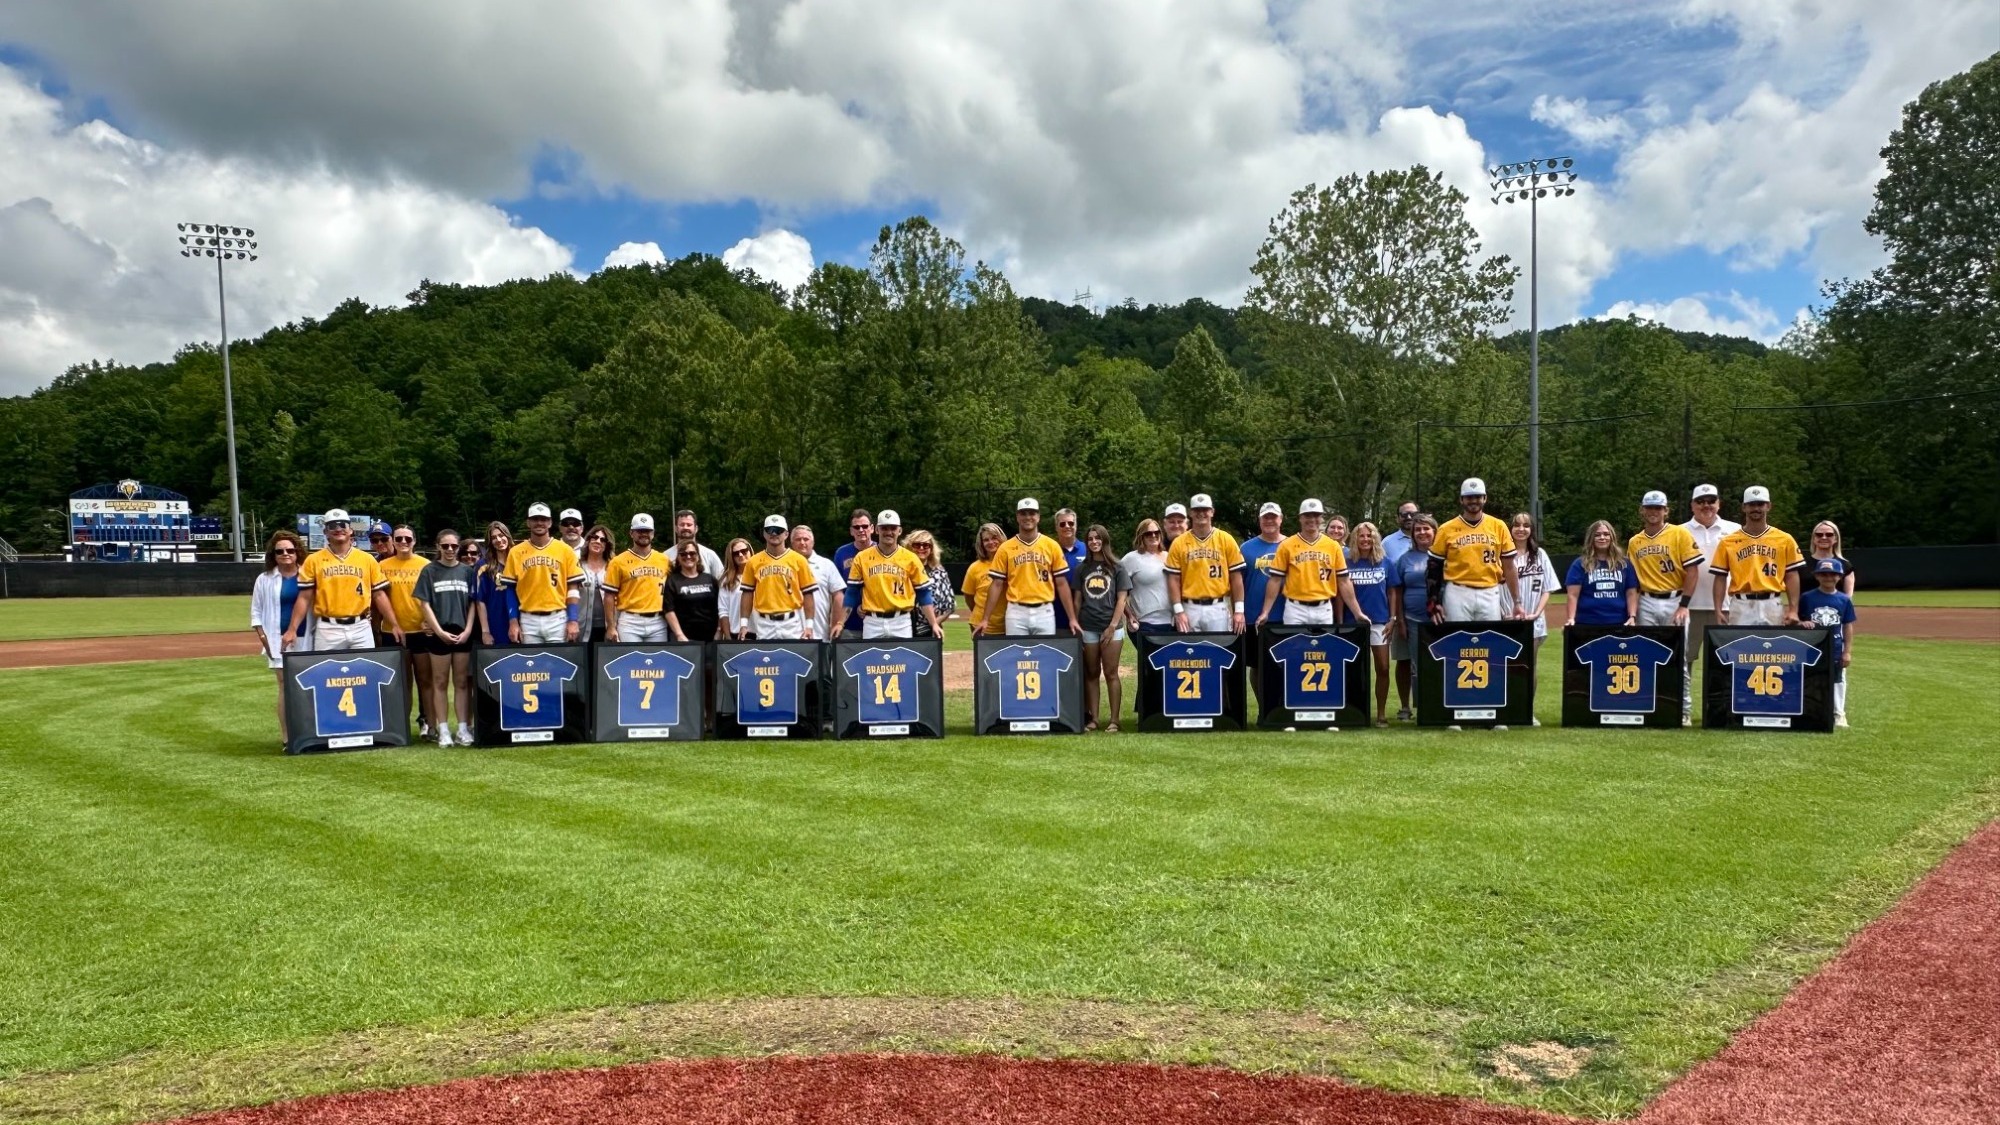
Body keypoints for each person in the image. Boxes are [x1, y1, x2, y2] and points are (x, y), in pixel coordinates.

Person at [1629, 491, 1707, 724]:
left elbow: (1693, 571)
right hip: (1646, 601)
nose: (1653, 512)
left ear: (1666, 510)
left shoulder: (1679, 534)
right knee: (1644, 656)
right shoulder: (1635, 541)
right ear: (1642, 510)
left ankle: (1683, 709)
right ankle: (1648, 704)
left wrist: (1684, 604)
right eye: (1649, 508)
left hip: (1675, 601)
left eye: (1658, 508)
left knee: (1678, 658)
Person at [292, 508, 395, 653]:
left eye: (342, 525)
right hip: (328, 627)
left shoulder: (367, 559)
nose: (338, 528)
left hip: (361, 625)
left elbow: (379, 595)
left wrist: (395, 624)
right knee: (327, 672)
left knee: (364, 671)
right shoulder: (313, 560)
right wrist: (292, 629)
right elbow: (304, 598)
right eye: (332, 526)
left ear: (351, 530)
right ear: (325, 532)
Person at [1255, 498, 1369, 628]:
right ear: (1300, 518)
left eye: (1316, 515)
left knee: (1322, 648)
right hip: (1295, 609)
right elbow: (1275, 580)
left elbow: (1344, 581)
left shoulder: (1333, 546)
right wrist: (1265, 612)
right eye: (1307, 515)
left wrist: (1357, 612)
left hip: (1324, 608)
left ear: (1321, 518)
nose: (1312, 519)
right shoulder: (1286, 545)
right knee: (1296, 647)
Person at [978, 499, 1081, 636]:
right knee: (1018, 655)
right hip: (1016, 611)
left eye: (1032, 513)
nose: (1027, 517)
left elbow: (1061, 584)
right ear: (1017, 517)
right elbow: (996, 584)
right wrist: (985, 619)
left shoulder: (1051, 545)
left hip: (1044, 611)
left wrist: (1072, 618)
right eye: (1023, 513)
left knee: (1044, 654)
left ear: (1038, 517)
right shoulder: (1005, 548)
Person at [1427, 478, 1522, 624]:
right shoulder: (1446, 529)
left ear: (1485, 498)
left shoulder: (1498, 526)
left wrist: (1517, 602)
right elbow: (1434, 567)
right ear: (1461, 500)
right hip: (1458, 592)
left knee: (1489, 640)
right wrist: (1433, 600)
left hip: (1490, 591)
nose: (1473, 501)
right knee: (1458, 639)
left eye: (1477, 497)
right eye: (1469, 497)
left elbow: (1509, 567)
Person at [414, 529, 476, 746]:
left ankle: (462, 729)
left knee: (461, 683)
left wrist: (468, 630)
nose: (450, 550)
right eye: (445, 546)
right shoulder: (429, 571)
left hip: (462, 633)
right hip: (439, 632)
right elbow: (424, 604)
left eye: (454, 546)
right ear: (437, 546)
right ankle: (443, 730)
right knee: (439, 682)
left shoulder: (467, 572)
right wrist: (438, 630)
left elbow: (472, 604)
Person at [1709, 486, 1804, 628]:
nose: (1756, 508)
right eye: (1751, 504)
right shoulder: (1728, 541)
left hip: (1772, 602)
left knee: (1772, 647)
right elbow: (1720, 577)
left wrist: (1793, 610)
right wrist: (1718, 610)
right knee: (1740, 648)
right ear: (1744, 507)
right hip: (1741, 603)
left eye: (1760, 504)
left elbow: (1791, 575)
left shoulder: (1784, 539)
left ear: (1769, 506)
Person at [251, 529, 313, 742]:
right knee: (285, 687)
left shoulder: (308, 574)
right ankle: (288, 737)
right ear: (273, 555)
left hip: (309, 639)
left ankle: (309, 732)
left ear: (297, 552)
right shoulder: (265, 579)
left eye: (290, 550)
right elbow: (256, 614)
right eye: (280, 551)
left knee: (309, 685)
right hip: (278, 642)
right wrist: (265, 641)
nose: (285, 554)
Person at [844, 510, 940, 639]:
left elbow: (923, 593)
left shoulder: (910, 558)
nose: (889, 532)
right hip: (873, 622)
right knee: (872, 659)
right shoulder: (862, 557)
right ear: (877, 530)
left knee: (902, 658)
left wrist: (933, 623)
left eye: (893, 528)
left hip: (901, 621)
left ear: (899, 531)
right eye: (884, 528)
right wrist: (840, 622)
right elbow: (851, 593)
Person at [1072, 524, 1131, 732]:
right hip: (1088, 626)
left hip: (1111, 627)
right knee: (1091, 672)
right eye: (1090, 539)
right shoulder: (1081, 568)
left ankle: (1115, 720)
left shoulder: (1118, 567)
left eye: (1098, 538)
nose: (1094, 542)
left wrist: (1112, 626)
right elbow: (1078, 600)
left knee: (1111, 673)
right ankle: (1094, 719)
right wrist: (1076, 624)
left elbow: (1122, 599)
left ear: (1105, 541)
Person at [500, 502, 583, 644]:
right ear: (528, 522)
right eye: (535, 519)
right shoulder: (516, 552)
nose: (539, 523)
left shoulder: (565, 550)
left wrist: (573, 619)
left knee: (558, 663)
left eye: (543, 519)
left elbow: (573, 589)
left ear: (550, 522)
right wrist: (513, 622)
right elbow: (510, 590)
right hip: (528, 618)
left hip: (557, 617)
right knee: (533, 664)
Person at [1165, 493, 1247, 634]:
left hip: (1218, 607)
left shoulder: (1226, 539)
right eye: (1197, 510)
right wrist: (1178, 611)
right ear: (1191, 513)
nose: (1201, 513)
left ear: (1212, 512)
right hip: (1189, 607)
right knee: (1191, 653)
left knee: (1219, 651)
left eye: (1205, 509)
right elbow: (1173, 580)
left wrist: (1239, 611)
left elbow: (1236, 578)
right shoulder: (1179, 543)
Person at [736, 515, 823, 640]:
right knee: (767, 658)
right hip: (763, 622)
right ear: (764, 533)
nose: (774, 534)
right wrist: (744, 624)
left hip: (792, 622)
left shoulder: (799, 560)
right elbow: (747, 593)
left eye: (778, 530)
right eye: (770, 530)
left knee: (793, 658)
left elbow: (808, 594)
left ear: (786, 534)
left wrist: (809, 625)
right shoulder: (753, 562)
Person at [381, 525, 433, 734]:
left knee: (425, 680)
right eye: (399, 538)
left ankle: (429, 723)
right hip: (392, 631)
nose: (403, 542)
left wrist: (431, 621)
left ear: (414, 541)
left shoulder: (426, 565)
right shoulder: (382, 566)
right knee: (401, 683)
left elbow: (433, 597)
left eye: (407, 538)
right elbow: (377, 599)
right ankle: (400, 725)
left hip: (420, 632)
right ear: (392, 541)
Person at [1386, 513, 1437, 721]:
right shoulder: (1405, 559)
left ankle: (1436, 704)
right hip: (1411, 619)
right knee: (1412, 664)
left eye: (1426, 529)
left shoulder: (1444, 555)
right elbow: (1397, 590)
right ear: (1413, 535)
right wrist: (1399, 620)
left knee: (1436, 663)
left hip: (1437, 621)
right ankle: (1412, 706)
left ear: (1435, 531)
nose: (1422, 533)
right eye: (1418, 530)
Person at [1681, 484, 1741, 662]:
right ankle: (1685, 692)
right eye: (1700, 501)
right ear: (1692, 505)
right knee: (1685, 659)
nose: (1706, 505)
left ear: (1719, 504)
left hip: (1725, 607)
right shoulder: (1679, 531)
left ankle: (1724, 692)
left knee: (1727, 660)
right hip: (1689, 607)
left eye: (1711, 501)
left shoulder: (1735, 529)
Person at [1346, 521, 1394, 727]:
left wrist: (1393, 618)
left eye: (1369, 536)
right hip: (1353, 622)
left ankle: (1381, 713)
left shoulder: (1385, 563)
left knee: (1383, 667)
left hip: (1379, 621)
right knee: (1355, 669)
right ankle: (1355, 712)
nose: (1365, 539)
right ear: (1355, 538)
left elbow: (1393, 592)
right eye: (1361, 536)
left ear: (1375, 538)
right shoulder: (1347, 562)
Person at [1799, 558, 1857, 728]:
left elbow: (1847, 626)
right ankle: (1810, 710)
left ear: (1839, 577)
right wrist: (1802, 623)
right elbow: (1797, 620)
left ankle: (1839, 713)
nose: (1828, 577)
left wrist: (1847, 651)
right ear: (1817, 576)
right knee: (1810, 678)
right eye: (1823, 574)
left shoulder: (1844, 600)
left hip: (1835, 647)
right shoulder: (1807, 598)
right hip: (1812, 646)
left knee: (1837, 679)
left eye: (1832, 574)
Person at [1241, 502, 1286, 705]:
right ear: (1259, 520)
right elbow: (1238, 582)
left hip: (1286, 614)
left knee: (1283, 663)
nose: (1269, 521)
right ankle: (1263, 707)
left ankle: (1282, 706)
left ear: (1281, 519)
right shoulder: (1246, 548)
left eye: (1273, 517)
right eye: (1265, 517)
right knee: (1257, 664)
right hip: (1254, 614)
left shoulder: (1291, 544)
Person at [603, 514, 674, 644]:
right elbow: (609, 596)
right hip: (630, 621)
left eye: (647, 531)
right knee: (631, 662)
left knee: (657, 662)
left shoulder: (664, 560)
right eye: (640, 531)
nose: (644, 534)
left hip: (658, 620)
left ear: (653, 533)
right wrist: (611, 626)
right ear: (631, 533)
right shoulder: (617, 561)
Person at [1564, 520, 1639, 628]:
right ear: (1591, 538)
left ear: (1612, 537)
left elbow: (1631, 593)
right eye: (1597, 535)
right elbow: (1573, 595)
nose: (1602, 537)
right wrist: (1571, 618)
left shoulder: (1624, 564)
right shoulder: (1580, 564)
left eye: (1606, 534)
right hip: (1587, 622)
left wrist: (1632, 616)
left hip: (1619, 621)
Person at [1508, 514, 1556, 657]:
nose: (1521, 529)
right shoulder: (1502, 554)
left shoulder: (1539, 554)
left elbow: (1547, 588)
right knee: (1507, 667)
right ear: (1510, 529)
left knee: (1530, 666)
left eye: (1526, 526)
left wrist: (1536, 613)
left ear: (1532, 530)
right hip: (1507, 618)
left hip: (1533, 619)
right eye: (1516, 525)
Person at [791, 524, 847, 642]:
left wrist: (835, 624)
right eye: (798, 539)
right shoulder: (784, 566)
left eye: (806, 539)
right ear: (792, 543)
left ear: (813, 542)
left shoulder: (826, 565)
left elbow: (838, 596)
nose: (802, 542)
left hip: (819, 633)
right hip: (790, 633)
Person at [1122, 518, 1174, 637]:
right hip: (1145, 624)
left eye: (1157, 532)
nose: (1153, 535)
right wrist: (1129, 614)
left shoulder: (1169, 556)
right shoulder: (1131, 559)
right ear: (1141, 536)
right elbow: (1115, 589)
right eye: (1148, 533)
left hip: (1171, 624)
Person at [666, 541, 722, 642]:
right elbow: (669, 610)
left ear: (698, 556)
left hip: (711, 638)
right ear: (678, 557)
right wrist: (679, 635)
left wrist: (719, 630)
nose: (688, 556)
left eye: (692, 553)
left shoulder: (710, 579)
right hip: (684, 639)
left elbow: (721, 607)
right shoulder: (672, 581)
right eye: (683, 554)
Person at [474, 520, 518, 648]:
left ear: (508, 536)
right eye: (494, 538)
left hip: (523, 621)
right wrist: (485, 631)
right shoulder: (483, 566)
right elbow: (480, 601)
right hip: (497, 623)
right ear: (490, 542)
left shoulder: (519, 559)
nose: (499, 540)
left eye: (501, 535)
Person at [904, 530, 955, 639]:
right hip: (904, 627)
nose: (921, 548)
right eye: (917, 545)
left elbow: (950, 606)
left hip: (931, 631)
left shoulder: (939, 572)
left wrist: (934, 623)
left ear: (931, 549)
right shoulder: (902, 569)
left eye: (926, 545)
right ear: (909, 547)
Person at [960, 522, 1008, 638]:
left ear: (1002, 538)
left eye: (994, 538)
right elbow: (969, 597)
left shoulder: (1011, 563)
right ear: (981, 544)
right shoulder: (975, 567)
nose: (991, 542)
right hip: (982, 625)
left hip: (1009, 625)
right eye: (986, 540)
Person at [833, 507, 875, 637]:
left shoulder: (881, 552)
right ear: (851, 531)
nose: (861, 530)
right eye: (857, 527)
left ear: (872, 528)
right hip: (848, 623)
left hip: (876, 622)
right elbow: (836, 590)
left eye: (864, 526)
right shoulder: (842, 553)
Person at [1050, 508, 1089, 634]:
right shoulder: (1050, 550)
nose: (1067, 526)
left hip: (1085, 613)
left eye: (1071, 523)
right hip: (1056, 614)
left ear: (1076, 525)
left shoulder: (1087, 549)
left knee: (1085, 653)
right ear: (1056, 527)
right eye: (1062, 524)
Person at [1808, 521, 1858, 596]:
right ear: (1813, 539)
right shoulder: (1802, 564)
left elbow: (1848, 599)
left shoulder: (1845, 565)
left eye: (1829, 534)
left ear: (1836, 539)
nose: (1824, 537)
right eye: (1819, 535)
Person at [674, 510, 725, 580]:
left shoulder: (710, 555)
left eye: (689, 525)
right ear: (676, 528)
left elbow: (722, 582)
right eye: (682, 525)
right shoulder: (666, 556)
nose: (685, 527)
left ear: (696, 528)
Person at [717, 537, 752, 640]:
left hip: (760, 632)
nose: (741, 555)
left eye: (744, 551)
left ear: (750, 550)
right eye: (736, 553)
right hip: (736, 633)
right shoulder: (727, 580)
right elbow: (723, 611)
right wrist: (727, 637)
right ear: (731, 557)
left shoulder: (760, 574)